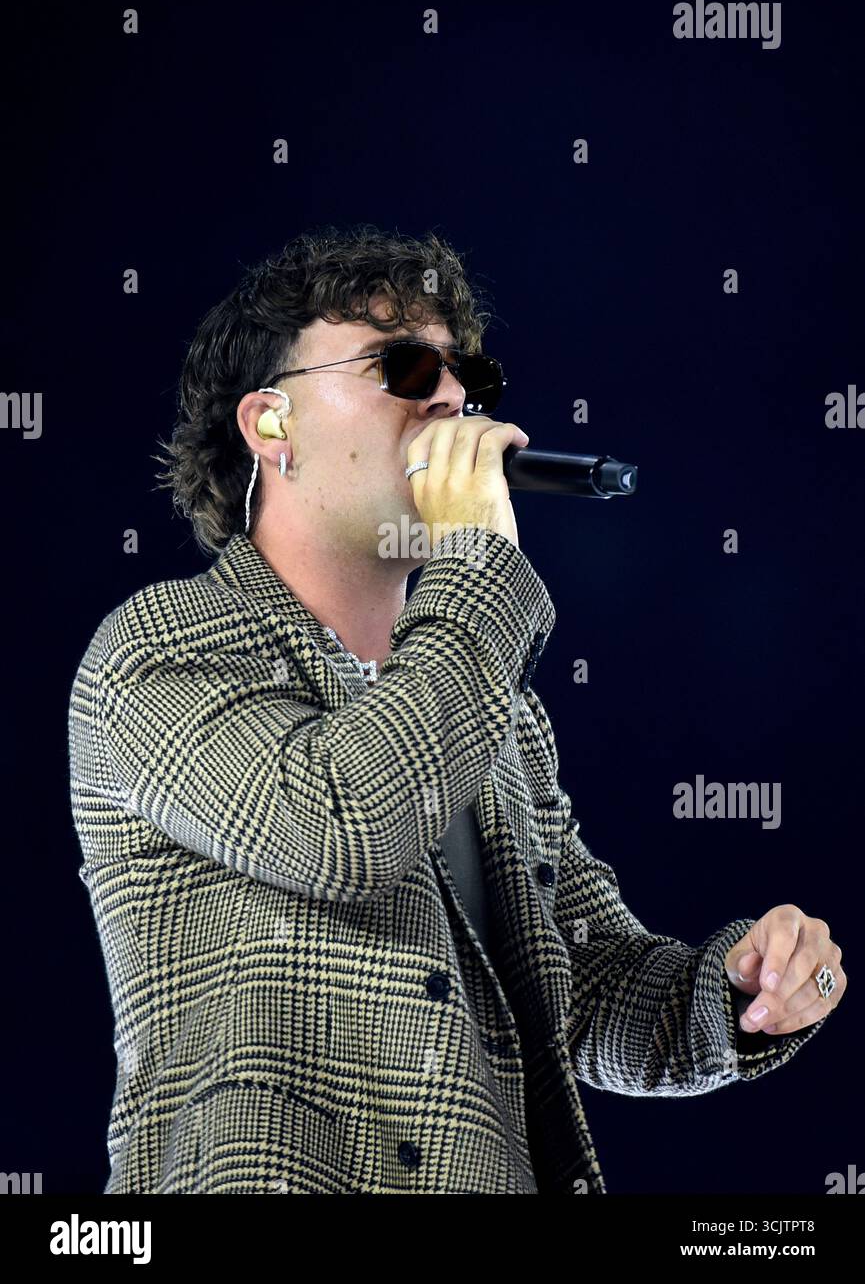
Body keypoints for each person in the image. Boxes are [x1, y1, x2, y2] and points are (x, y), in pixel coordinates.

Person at [68, 224, 845, 1194]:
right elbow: (340, 824)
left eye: (465, 377)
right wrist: (479, 559)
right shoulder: (158, 649)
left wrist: (737, 990)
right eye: (400, 365)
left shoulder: (495, 714)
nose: (447, 397)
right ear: (270, 424)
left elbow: (585, 983)